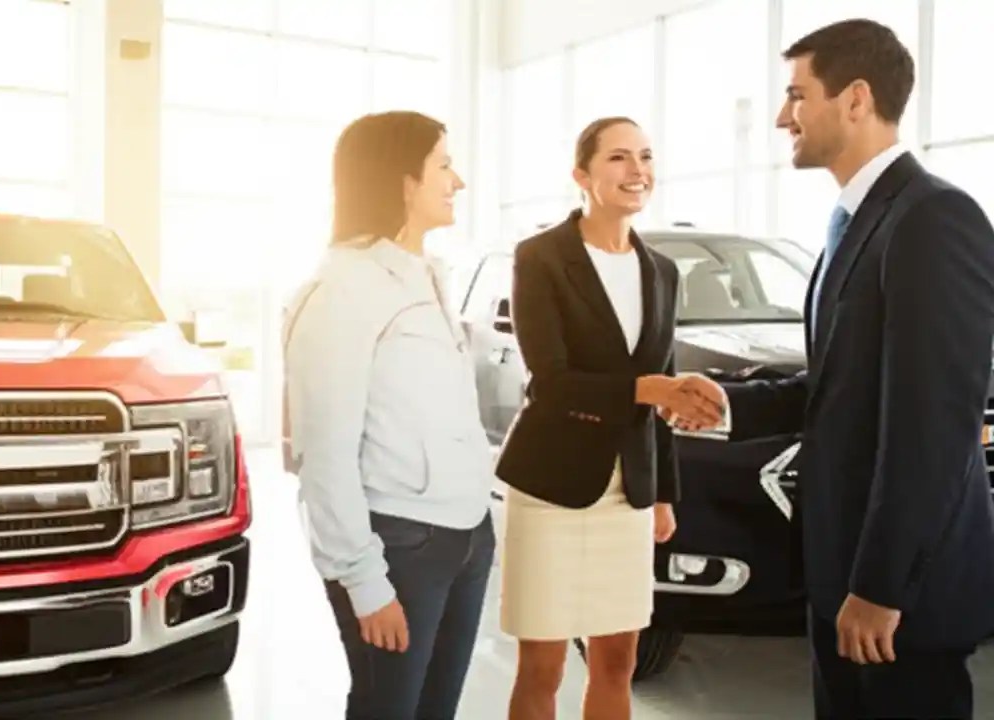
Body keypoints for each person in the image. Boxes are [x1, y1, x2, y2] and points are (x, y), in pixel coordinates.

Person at [679, 19, 994, 719]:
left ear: (855, 99)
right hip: (841, 573)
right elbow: (841, 391)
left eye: (797, 95)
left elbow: (932, 428)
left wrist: (882, 587)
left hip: (899, 596)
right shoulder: (853, 221)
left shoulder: (933, 219)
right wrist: (730, 403)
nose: (782, 116)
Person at [494, 116, 724, 720]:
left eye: (646, 156)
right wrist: (648, 387)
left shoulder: (662, 271)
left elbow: (663, 398)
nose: (637, 170)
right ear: (583, 174)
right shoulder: (540, 256)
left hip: (631, 493)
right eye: (619, 158)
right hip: (551, 487)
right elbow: (552, 379)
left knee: (618, 661)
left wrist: (664, 494)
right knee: (541, 667)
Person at [282, 110, 496, 720]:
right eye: (444, 165)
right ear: (403, 181)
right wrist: (364, 580)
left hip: (466, 535)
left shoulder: (427, 277)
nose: (458, 181)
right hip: (398, 543)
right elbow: (322, 454)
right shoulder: (342, 289)